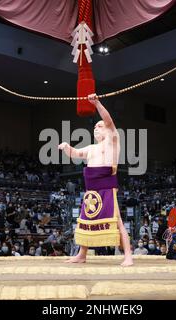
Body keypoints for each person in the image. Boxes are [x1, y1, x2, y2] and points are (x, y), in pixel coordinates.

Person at [59, 93, 133, 266]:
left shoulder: (113, 140)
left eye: (100, 126)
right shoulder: (92, 148)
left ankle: (128, 255)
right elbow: (76, 154)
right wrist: (66, 147)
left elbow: (108, 121)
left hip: (107, 185)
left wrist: (97, 103)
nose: (97, 128)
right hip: (91, 189)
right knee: (86, 220)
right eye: (95, 127)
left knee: (117, 221)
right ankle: (82, 254)